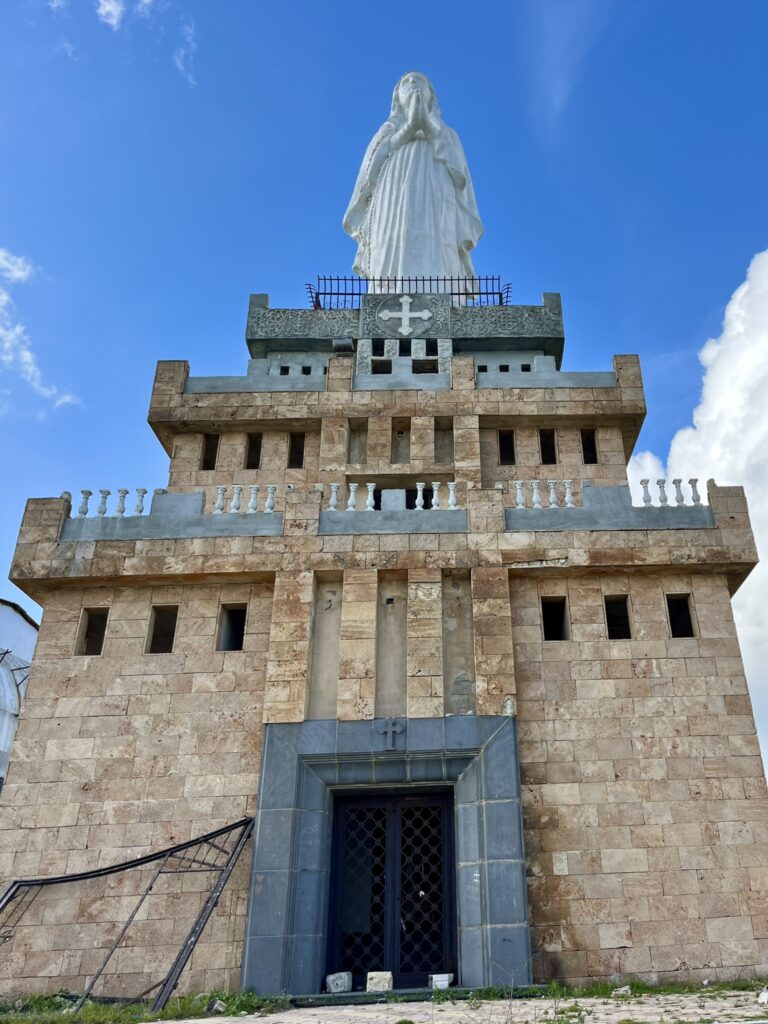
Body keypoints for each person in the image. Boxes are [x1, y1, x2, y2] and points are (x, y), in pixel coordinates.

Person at [343, 72, 483, 288]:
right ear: (397, 97)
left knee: (436, 247)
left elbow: (459, 177)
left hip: (436, 192)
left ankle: (440, 290)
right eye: (406, 82)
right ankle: (386, 291)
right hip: (391, 194)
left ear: (431, 96)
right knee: (390, 246)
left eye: (420, 81)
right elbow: (370, 172)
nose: (413, 83)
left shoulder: (447, 135)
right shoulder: (387, 132)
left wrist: (427, 125)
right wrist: (408, 128)